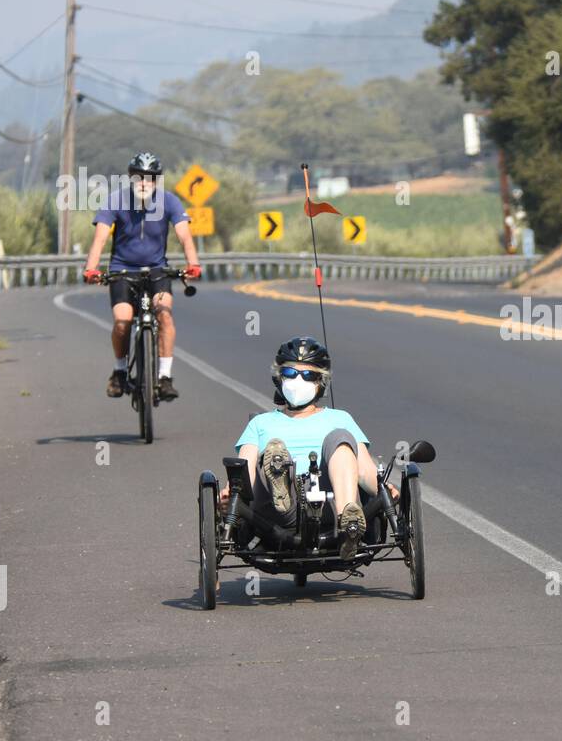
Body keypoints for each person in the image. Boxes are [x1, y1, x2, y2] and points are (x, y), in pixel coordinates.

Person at [227, 336, 395, 559]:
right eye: (289, 373)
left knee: (340, 438)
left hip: (330, 501)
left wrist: (385, 490)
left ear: (321, 382)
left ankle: (349, 521)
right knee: (275, 452)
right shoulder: (261, 423)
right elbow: (246, 467)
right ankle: (281, 479)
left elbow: (364, 469)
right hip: (279, 514)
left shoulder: (340, 418)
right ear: (278, 377)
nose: (298, 381)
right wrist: (232, 492)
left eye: (308, 375)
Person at [82, 151, 201, 401]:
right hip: (122, 271)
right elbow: (100, 238)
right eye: (139, 177)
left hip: (158, 270)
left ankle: (165, 377)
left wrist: (193, 264)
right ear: (130, 179)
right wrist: (91, 268)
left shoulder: (170, 201)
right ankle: (119, 371)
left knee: (165, 317)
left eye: (150, 178)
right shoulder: (116, 200)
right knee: (123, 322)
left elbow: (184, 235)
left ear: (157, 180)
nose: (144, 182)